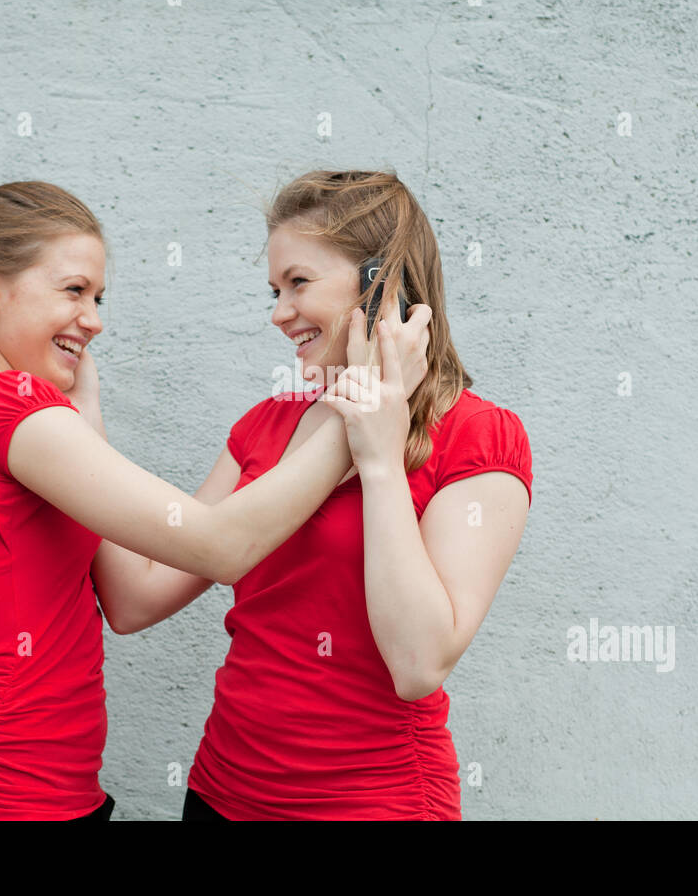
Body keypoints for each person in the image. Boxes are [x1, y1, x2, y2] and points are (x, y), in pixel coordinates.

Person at [0, 180, 431, 821]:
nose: (94, 319)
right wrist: (367, 404)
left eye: (98, 296)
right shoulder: (2, 407)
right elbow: (222, 546)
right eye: (73, 290)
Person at [88, 170, 533, 819]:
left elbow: (418, 664)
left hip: (373, 804)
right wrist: (79, 426)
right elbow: (133, 600)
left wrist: (379, 458)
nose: (278, 313)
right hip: (221, 794)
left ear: (384, 284)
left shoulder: (477, 437)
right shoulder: (264, 426)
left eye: (299, 283)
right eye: (274, 289)